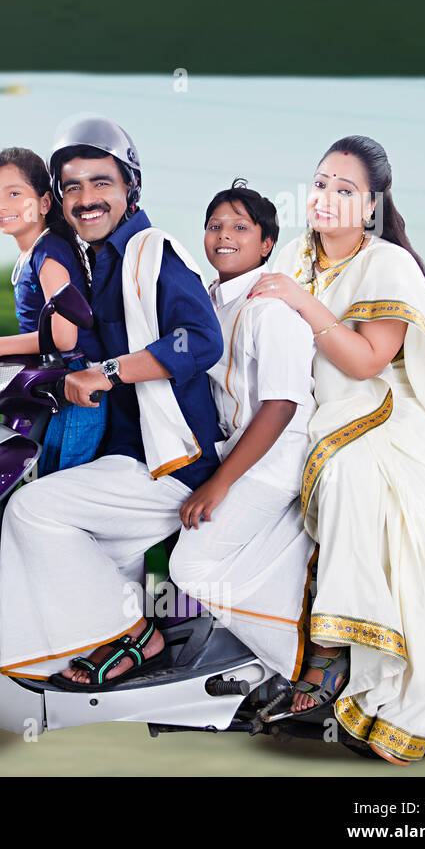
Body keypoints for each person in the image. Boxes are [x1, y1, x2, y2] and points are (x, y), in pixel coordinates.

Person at [251, 135, 425, 764]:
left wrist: (299, 301)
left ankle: (341, 670)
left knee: (354, 479)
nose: (325, 198)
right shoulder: (294, 254)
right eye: (320, 183)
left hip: (382, 412)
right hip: (307, 408)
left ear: (371, 205)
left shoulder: (388, 265)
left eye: (344, 190)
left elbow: (368, 360)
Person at [0, 114, 224, 687]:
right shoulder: (94, 263)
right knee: (82, 543)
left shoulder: (155, 252)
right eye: (72, 186)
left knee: (34, 510)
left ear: (130, 188)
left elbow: (199, 339)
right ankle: (108, 661)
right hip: (122, 453)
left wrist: (110, 372)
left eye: (101, 182)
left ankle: (134, 637)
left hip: (170, 460)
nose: (86, 198)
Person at [168, 179, 317, 682]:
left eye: (239, 227)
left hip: (275, 461)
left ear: (266, 243)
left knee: (188, 569)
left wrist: (221, 482)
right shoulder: (209, 300)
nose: (223, 236)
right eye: (214, 226)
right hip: (233, 452)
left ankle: (295, 656)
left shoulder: (270, 310)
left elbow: (280, 406)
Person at [0, 148, 105, 473]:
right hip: (55, 385)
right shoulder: (35, 252)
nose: (1, 205)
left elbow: (64, 335)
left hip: (74, 389)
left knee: (59, 493)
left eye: (14, 193)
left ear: (44, 203)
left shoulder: (50, 252)